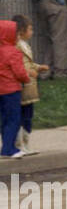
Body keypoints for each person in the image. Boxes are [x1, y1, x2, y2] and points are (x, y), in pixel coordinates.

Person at [13, 15, 48, 155]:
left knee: (28, 115)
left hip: (30, 86)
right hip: (23, 85)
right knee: (21, 115)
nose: (32, 32)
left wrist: (38, 67)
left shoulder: (25, 45)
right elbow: (18, 66)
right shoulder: (16, 46)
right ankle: (19, 144)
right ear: (21, 31)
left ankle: (26, 143)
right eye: (30, 29)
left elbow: (28, 63)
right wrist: (30, 72)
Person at [0, 19, 31, 157]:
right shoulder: (13, 52)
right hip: (11, 90)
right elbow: (19, 72)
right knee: (13, 119)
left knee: (4, 119)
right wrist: (26, 79)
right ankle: (9, 149)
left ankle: (5, 145)